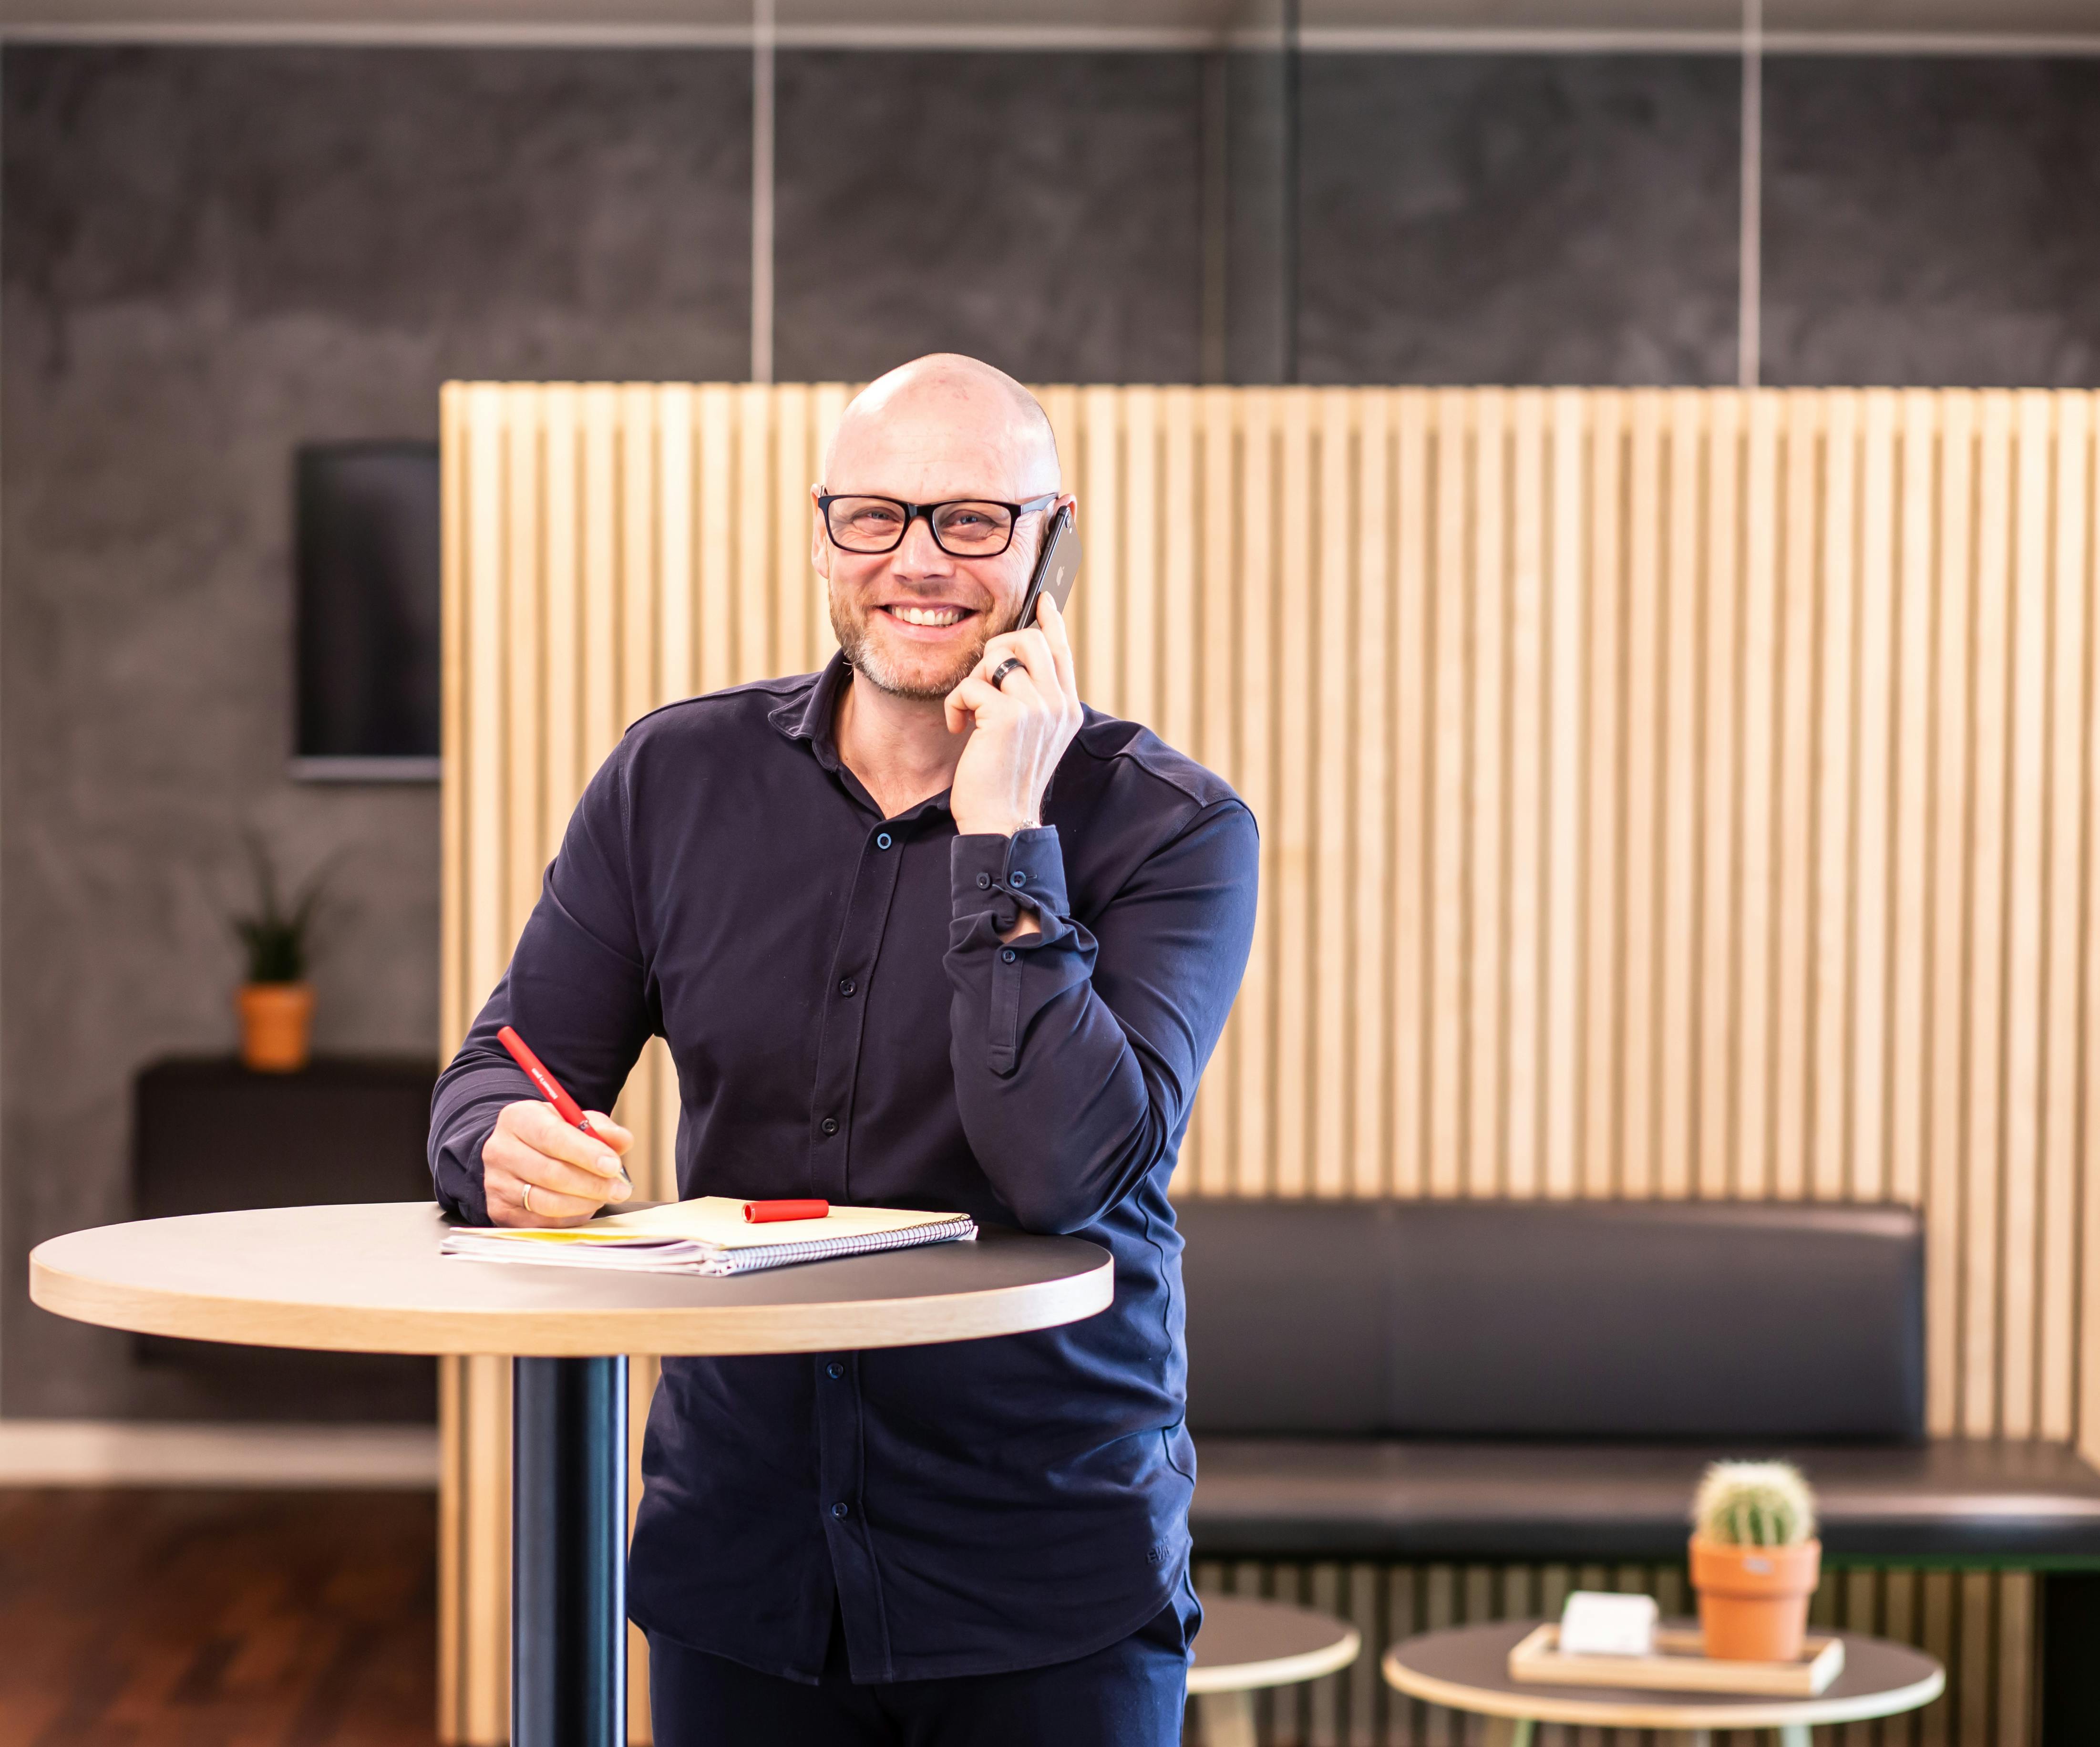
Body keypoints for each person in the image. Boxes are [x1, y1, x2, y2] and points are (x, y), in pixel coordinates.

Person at [428, 352, 1259, 1746]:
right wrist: (496, 1143)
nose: (916, 562)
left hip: (1039, 1577)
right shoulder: (669, 780)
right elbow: (498, 1070)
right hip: (740, 1574)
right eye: (871, 515)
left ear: (1052, 540)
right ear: (823, 534)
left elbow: (1064, 1172)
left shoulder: (1170, 830)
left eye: (970, 521)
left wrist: (1004, 837)